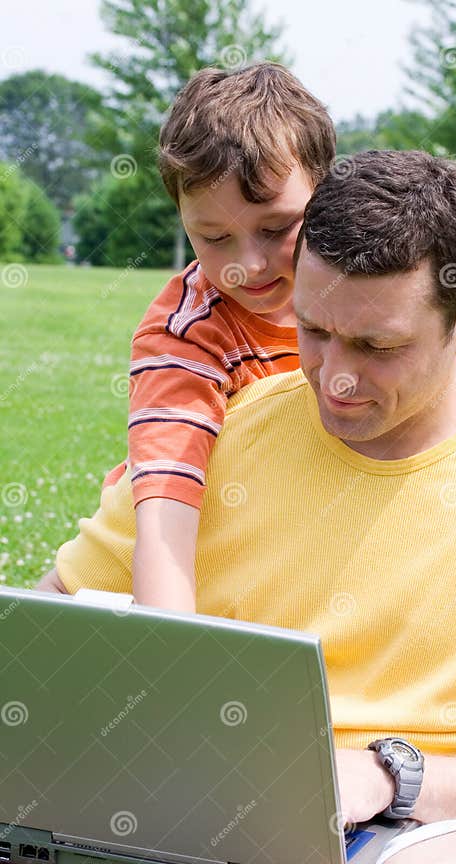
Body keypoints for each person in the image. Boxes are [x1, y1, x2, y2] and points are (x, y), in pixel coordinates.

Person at [39, 150, 456, 863]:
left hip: (401, 834)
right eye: (314, 332)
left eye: (377, 345)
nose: (337, 379)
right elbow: (48, 622)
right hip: (175, 813)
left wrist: (388, 775)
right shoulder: (221, 435)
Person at [105, 62, 335, 613]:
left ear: (327, 193)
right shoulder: (188, 334)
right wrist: (166, 650)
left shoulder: (359, 290)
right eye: (212, 237)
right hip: (177, 555)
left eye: (277, 229)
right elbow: (166, 508)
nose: (246, 265)